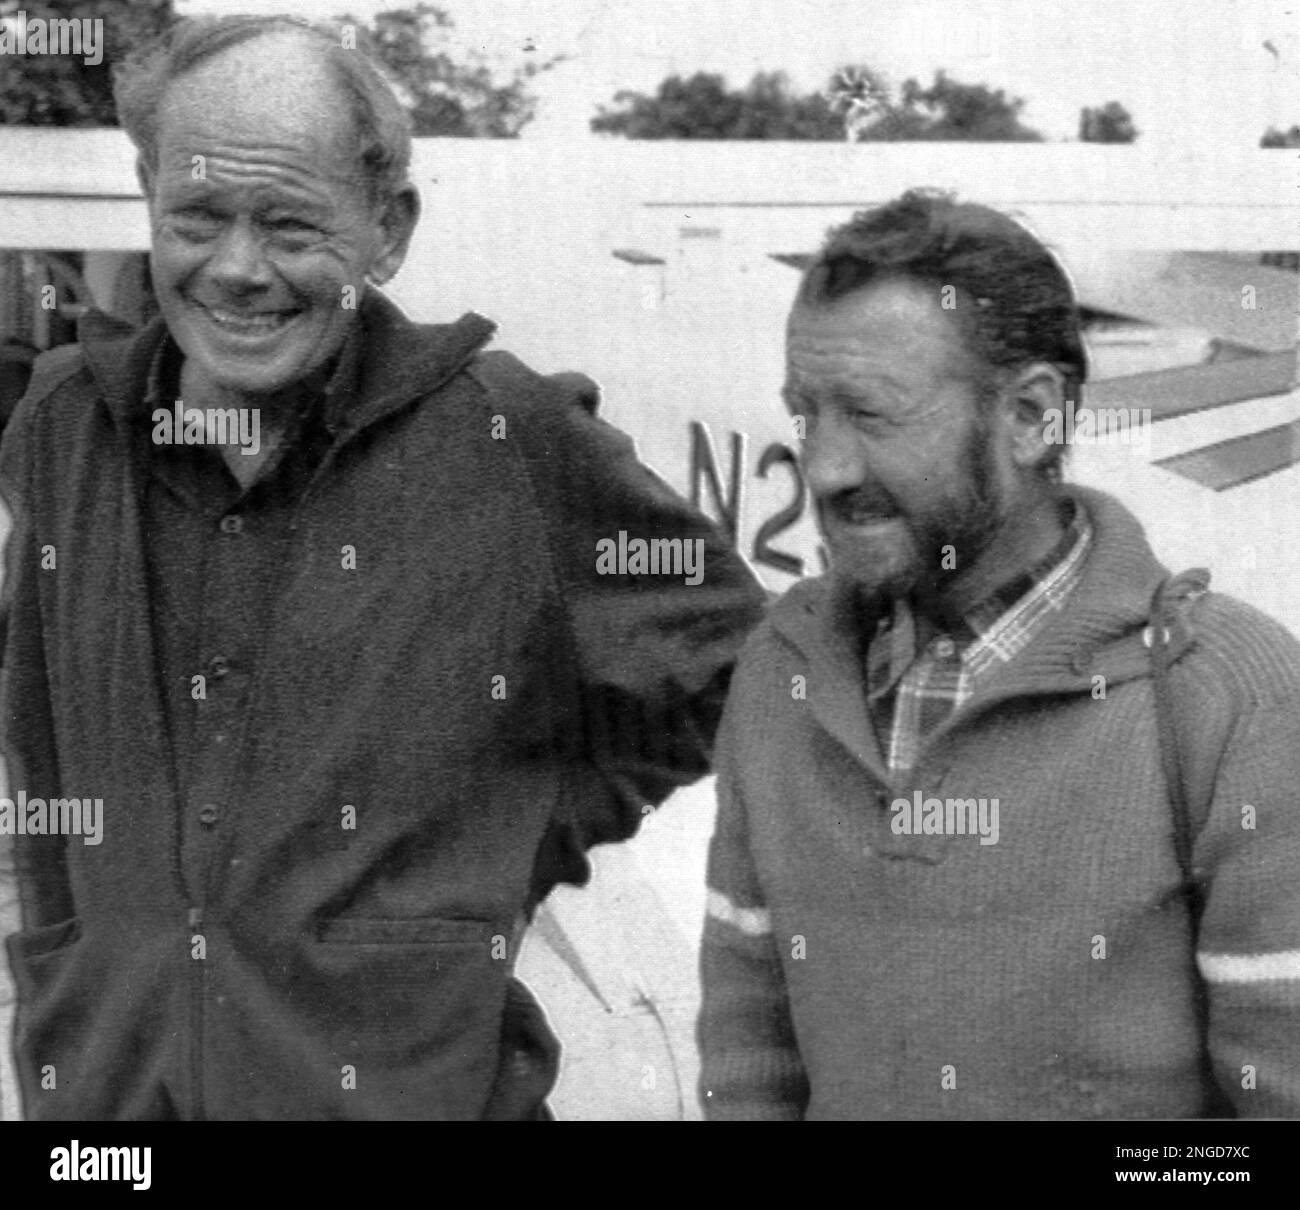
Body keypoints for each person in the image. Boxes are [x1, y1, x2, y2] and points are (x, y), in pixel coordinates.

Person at [0, 14, 765, 1121]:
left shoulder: (508, 433)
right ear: (148, 194)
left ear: (387, 229)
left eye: (292, 226)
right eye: (198, 218)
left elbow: (736, 667)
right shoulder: (64, 422)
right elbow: (44, 742)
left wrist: (493, 847)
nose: (238, 269)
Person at [697, 188, 1300, 1120]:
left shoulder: (1231, 696)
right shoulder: (781, 673)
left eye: (870, 413)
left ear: (1030, 417)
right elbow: (749, 1065)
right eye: (805, 412)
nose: (823, 469)